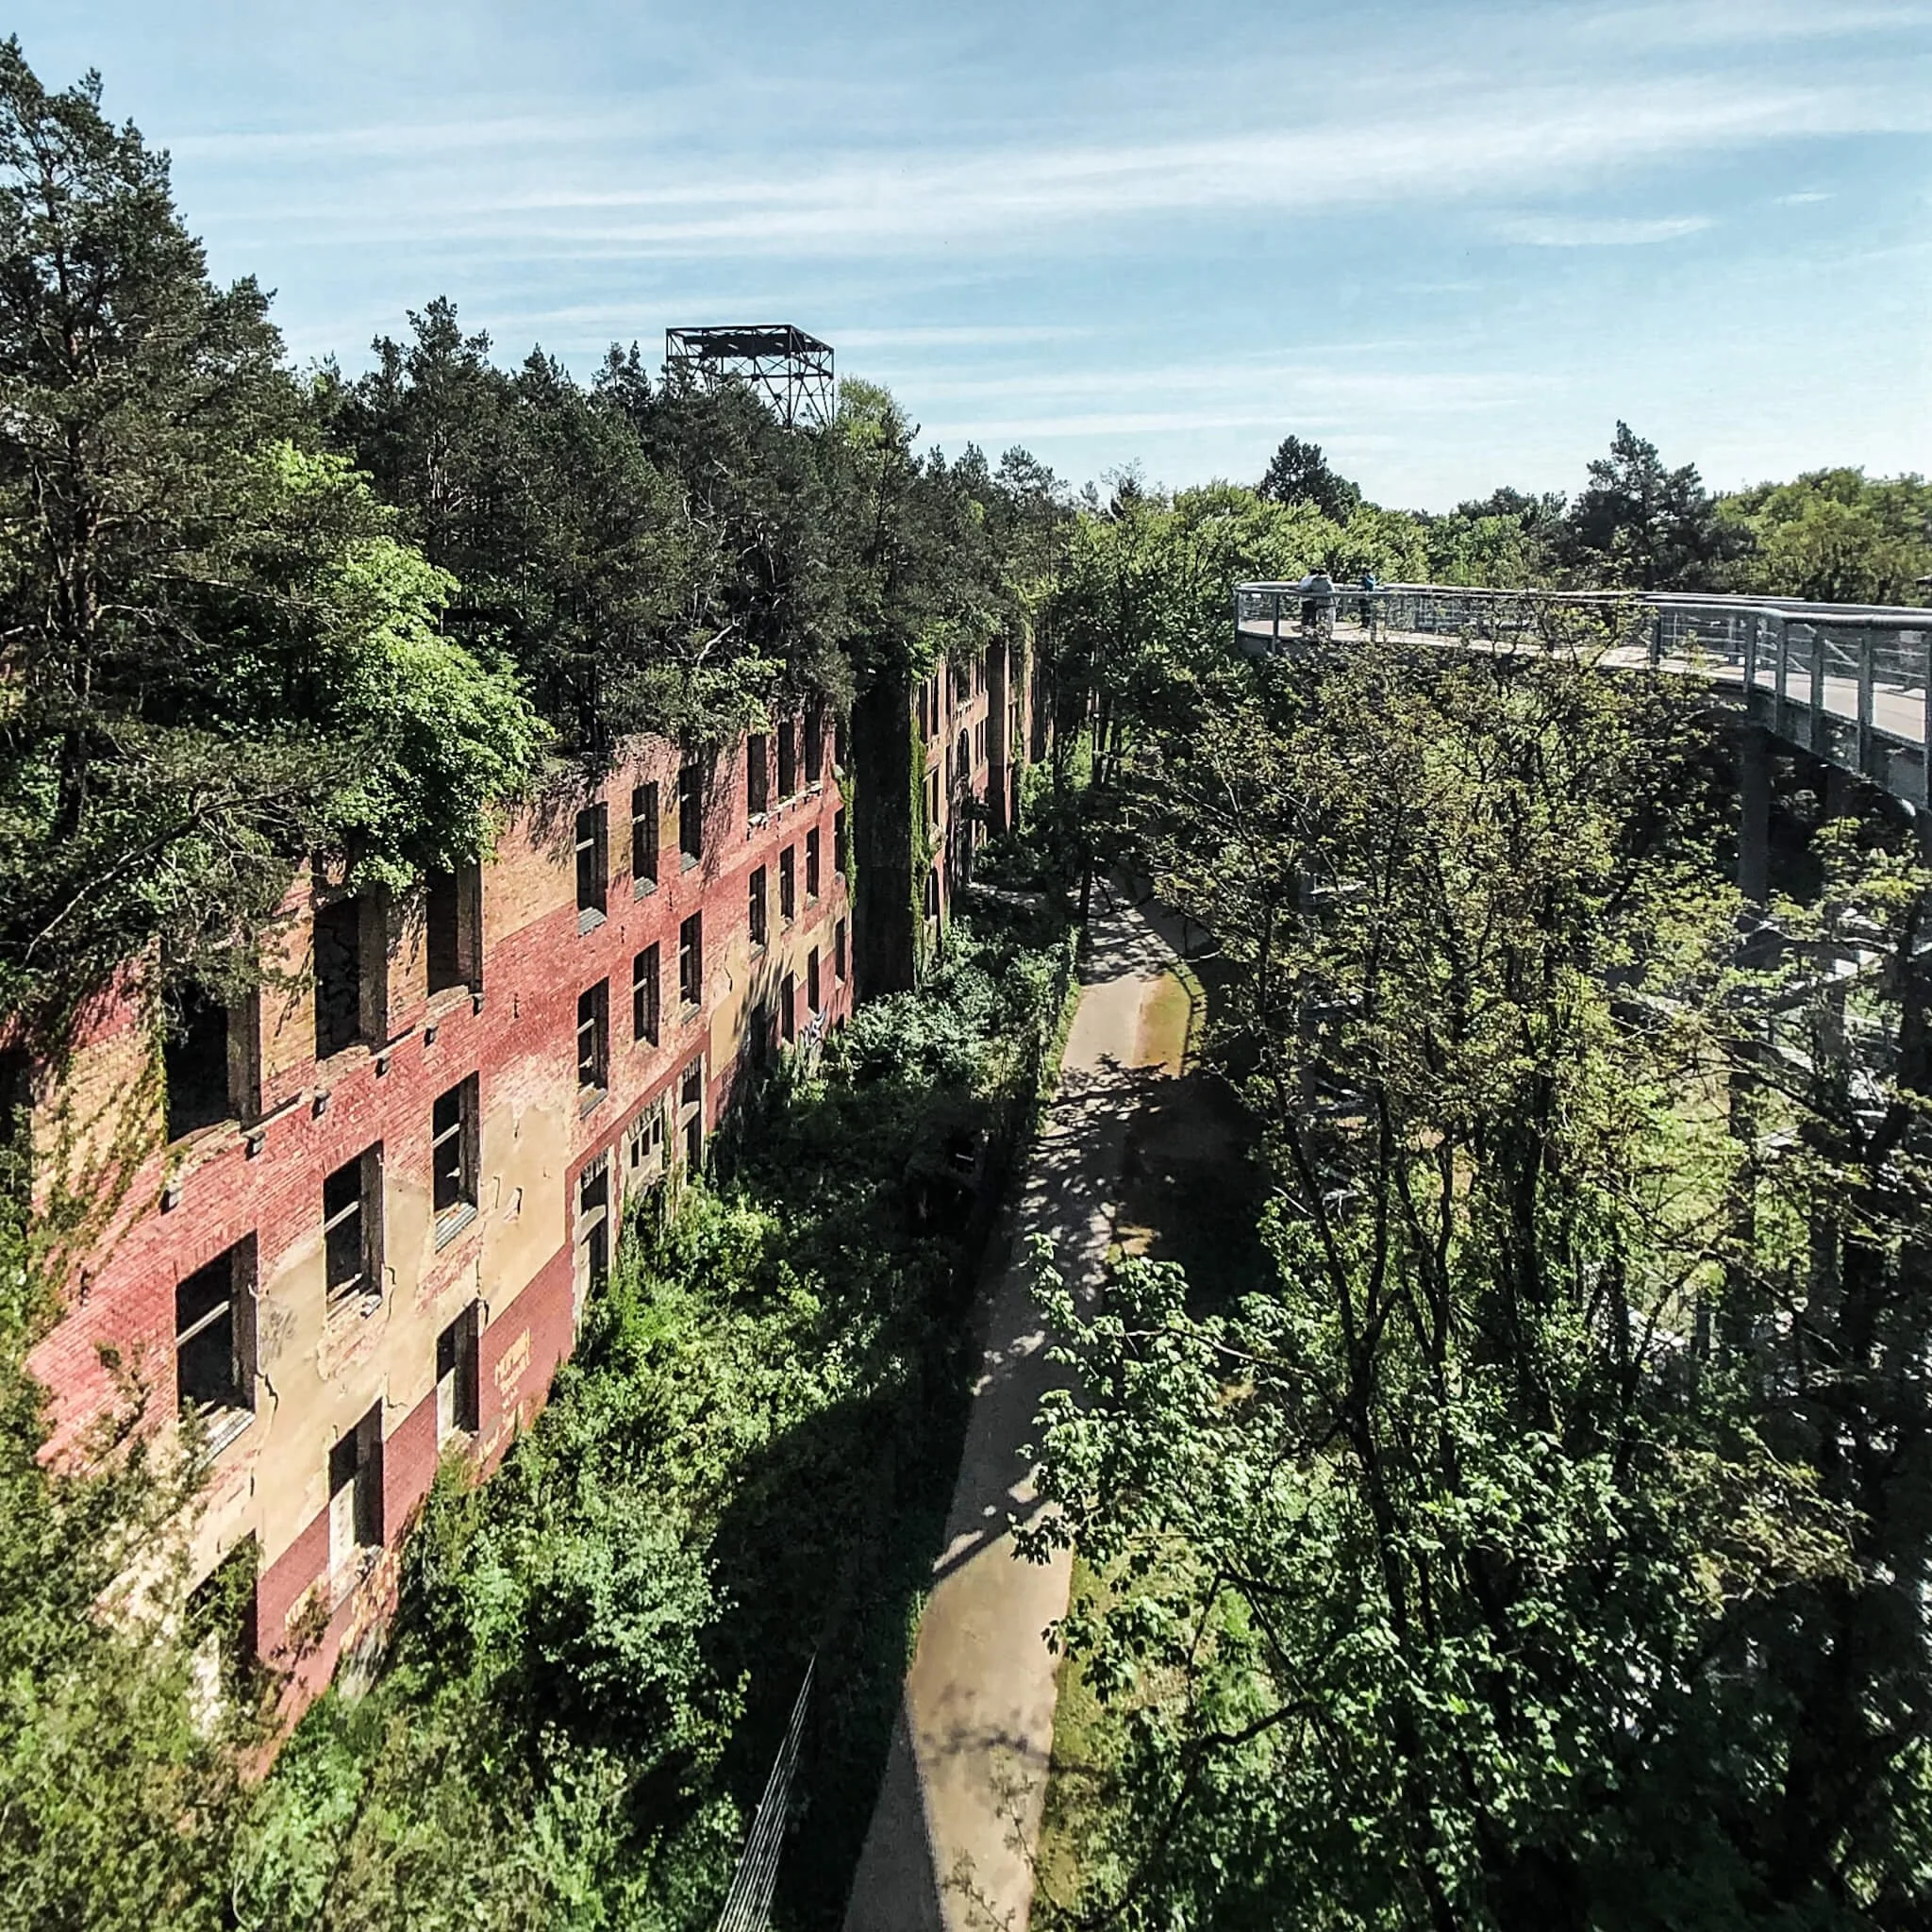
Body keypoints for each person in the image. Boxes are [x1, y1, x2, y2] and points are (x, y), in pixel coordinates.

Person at [1297, 569, 1335, 637]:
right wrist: (1335, 603)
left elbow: (1307, 589)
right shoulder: (1327, 581)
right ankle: (1327, 635)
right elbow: (1333, 592)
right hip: (1328, 603)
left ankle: (1314, 633)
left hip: (1318, 603)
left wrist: (1298, 590)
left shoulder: (1314, 581)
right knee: (1329, 620)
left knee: (1317, 619)